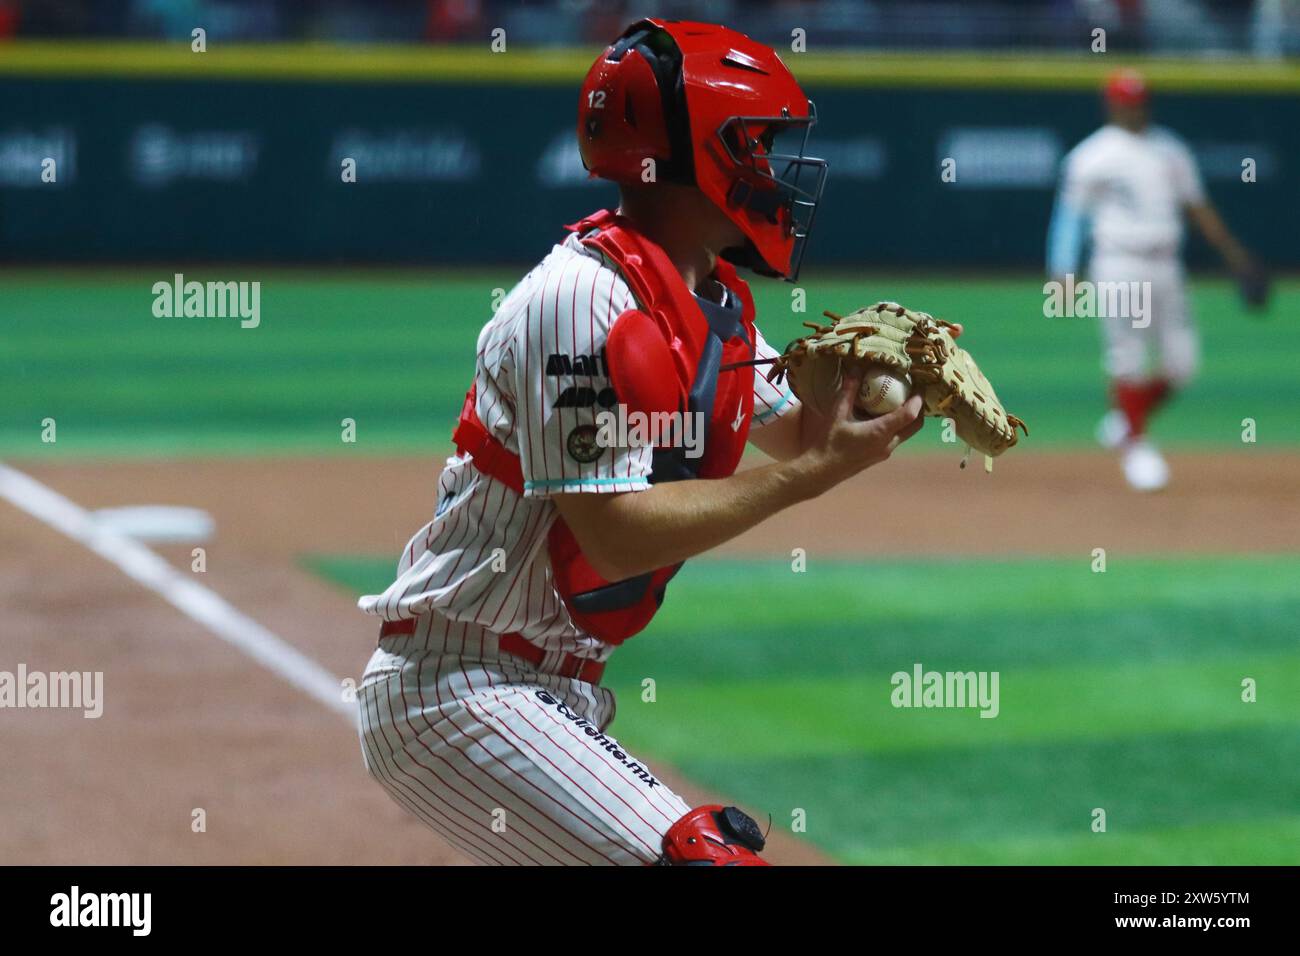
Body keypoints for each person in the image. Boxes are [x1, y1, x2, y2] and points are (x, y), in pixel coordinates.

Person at [354, 18, 926, 866]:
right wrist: (809, 475)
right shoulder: (581, 298)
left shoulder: (703, 307)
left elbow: (814, 433)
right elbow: (616, 534)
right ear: (697, 151)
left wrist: (888, 384)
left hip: (555, 692)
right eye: (755, 145)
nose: (773, 171)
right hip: (461, 688)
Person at [1047, 67, 1257, 491]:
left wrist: (1237, 258)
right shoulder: (1093, 155)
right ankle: (1136, 446)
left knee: (1183, 364)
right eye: (1126, 99)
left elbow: (1197, 207)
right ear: (1111, 103)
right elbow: (1070, 218)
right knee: (1127, 357)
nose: (1135, 105)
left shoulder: (1169, 149)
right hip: (1119, 262)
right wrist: (1062, 271)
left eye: (1140, 98)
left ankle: (1126, 420)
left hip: (1166, 264)